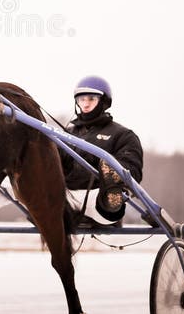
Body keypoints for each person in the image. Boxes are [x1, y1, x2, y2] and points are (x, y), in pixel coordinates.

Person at [61, 75, 143, 224]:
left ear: (103, 101)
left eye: (91, 99)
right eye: (81, 99)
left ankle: (112, 201)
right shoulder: (66, 134)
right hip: (66, 196)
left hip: (97, 198)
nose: (85, 104)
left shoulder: (122, 135)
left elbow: (134, 171)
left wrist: (103, 164)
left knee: (110, 167)